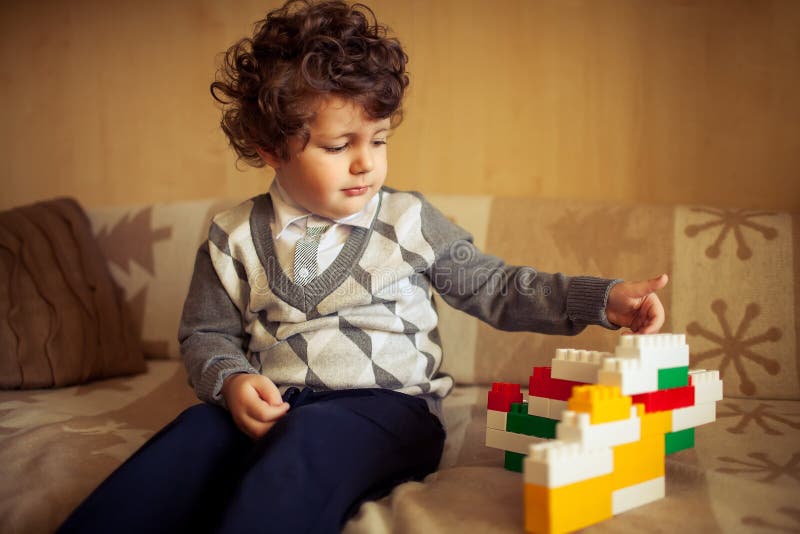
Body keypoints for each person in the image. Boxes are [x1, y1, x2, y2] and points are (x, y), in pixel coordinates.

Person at [57, 1, 668, 533]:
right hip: (275, 406)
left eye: (377, 139)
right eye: (337, 145)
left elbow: (498, 287)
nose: (365, 163)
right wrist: (232, 382)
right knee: (193, 437)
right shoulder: (232, 236)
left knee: (305, 449)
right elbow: (206, 335)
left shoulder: (409, 220)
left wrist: (602, 299)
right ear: (271, 149)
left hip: (387, 410)